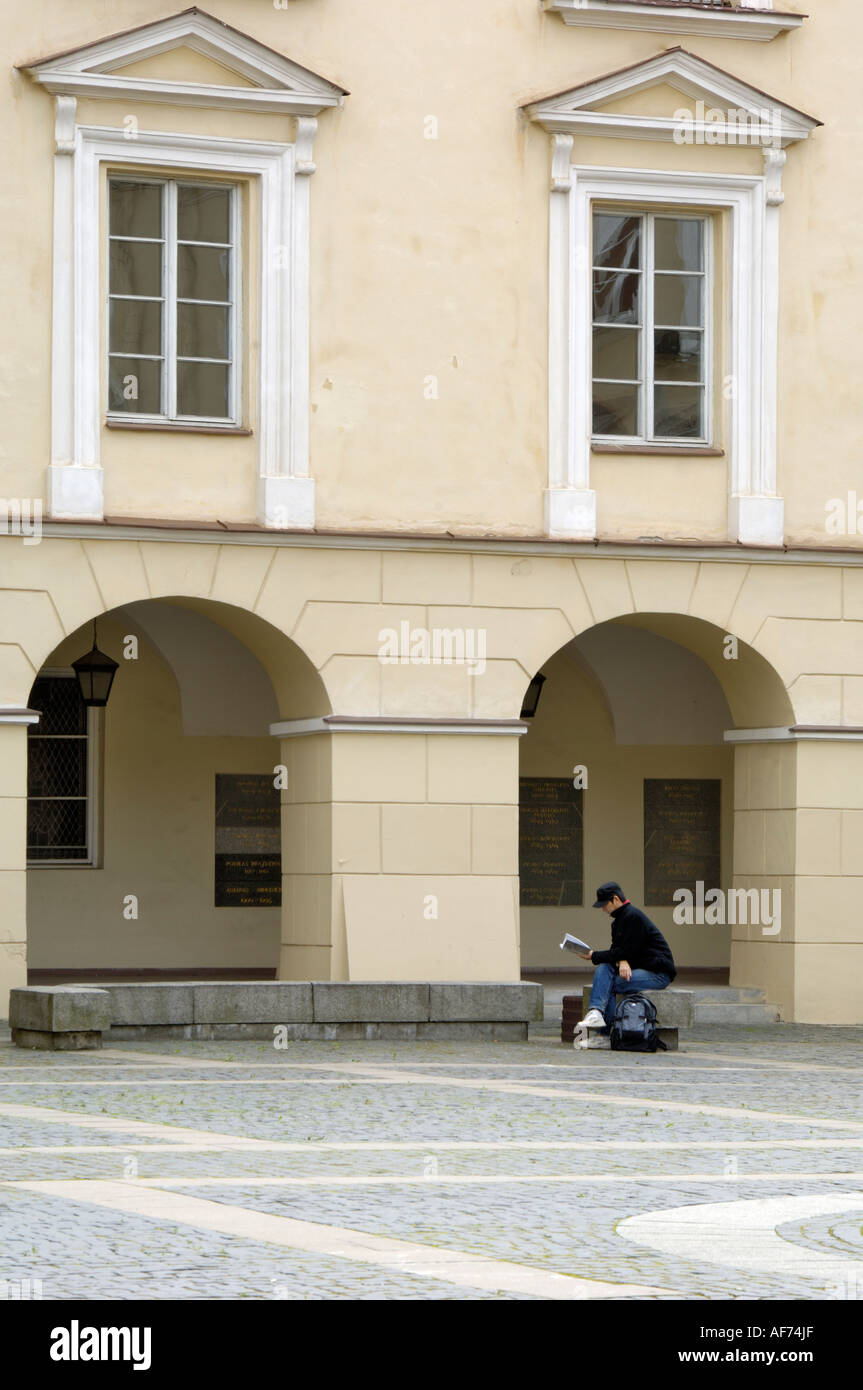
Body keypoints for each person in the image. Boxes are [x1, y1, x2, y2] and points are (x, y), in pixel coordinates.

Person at [576, 881, 676, 1045]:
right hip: (642, 967)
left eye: (604, 904)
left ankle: (606, 1034)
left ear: (615, 899)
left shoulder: (632, 916)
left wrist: (593, 955)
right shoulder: (619, 920)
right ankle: (595, 1012)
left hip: (658, 973)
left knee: (610, 983)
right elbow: (619, 949)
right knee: (604, 968)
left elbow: (626, 950)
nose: (602, 909)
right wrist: (622, 960)